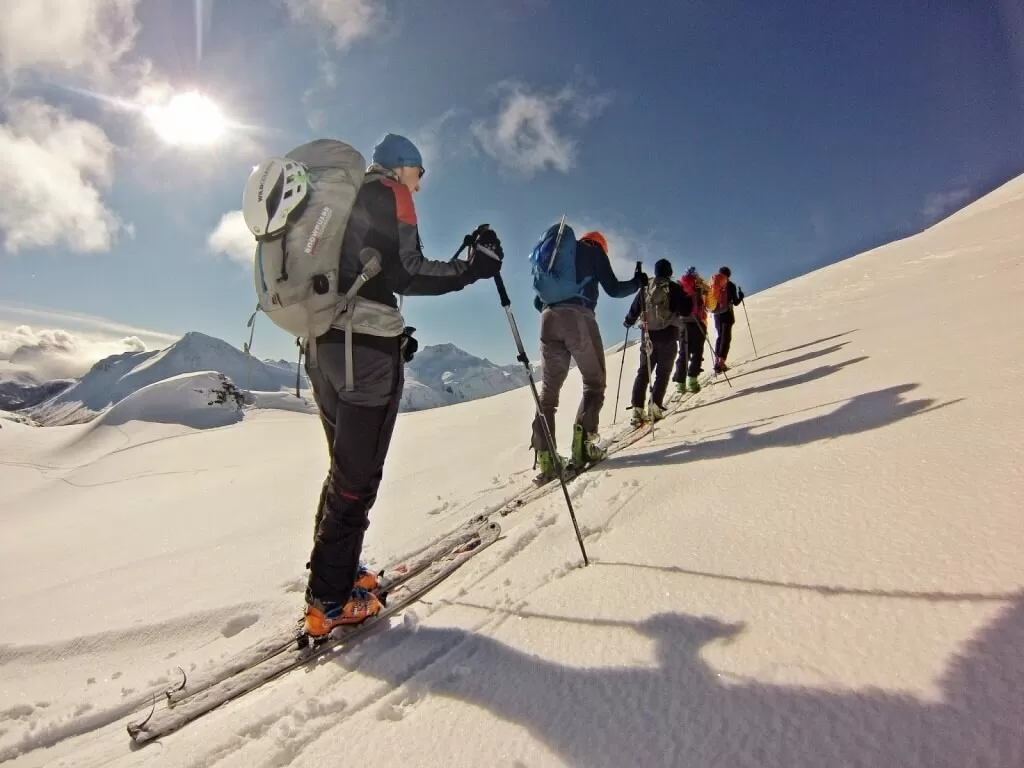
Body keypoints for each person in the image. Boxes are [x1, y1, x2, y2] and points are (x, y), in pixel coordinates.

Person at [302, 133, 504, 637]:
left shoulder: (342, 198)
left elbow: (370, 271)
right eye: (419, 171)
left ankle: (339, 575)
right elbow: (408, 272)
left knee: (344, 469)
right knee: (357, 478)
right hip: (364, 352)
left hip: (321, 346)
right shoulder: (392, 192)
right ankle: (328, 599)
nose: (421, 181)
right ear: (402, 166)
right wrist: (473, 268)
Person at [532, 230, 645, 480]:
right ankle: (583, 447)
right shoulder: (594, 252)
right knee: (594, 382)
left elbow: (537, 302)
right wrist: (638, 282)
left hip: (547, 320)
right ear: (602, 246)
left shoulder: (555, 259)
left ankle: (545, 457)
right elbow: (614, 289)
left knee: (548, 393)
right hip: (578, 318)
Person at [623, 259, 693, 426]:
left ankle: (637, 408)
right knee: (663, 372)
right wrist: (687, 298)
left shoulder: (646, 287)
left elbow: (635, 308)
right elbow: (685, 310)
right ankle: (654, 406)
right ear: (669, 272)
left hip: (648, 336)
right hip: (669, 335)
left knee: (644, 371)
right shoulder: (674, 287)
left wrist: (628, 321)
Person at [672, 267, 709, 394]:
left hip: (682, 323)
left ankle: (680, 383)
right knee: (697, 352)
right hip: (697, 322)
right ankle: (692, 381)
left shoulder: (679, 286)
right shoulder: (698, 286)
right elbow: (707, 296)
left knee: (683, 353)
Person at [709, 266, 745, 372]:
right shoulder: (730, 285)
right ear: (728, 275)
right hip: (727, 313)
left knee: (720, 337)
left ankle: (717, 361)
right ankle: (721, 362)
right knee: (726, 338)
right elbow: (735, 302)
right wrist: (741, 296)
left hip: (716, 314)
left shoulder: (713, 284)